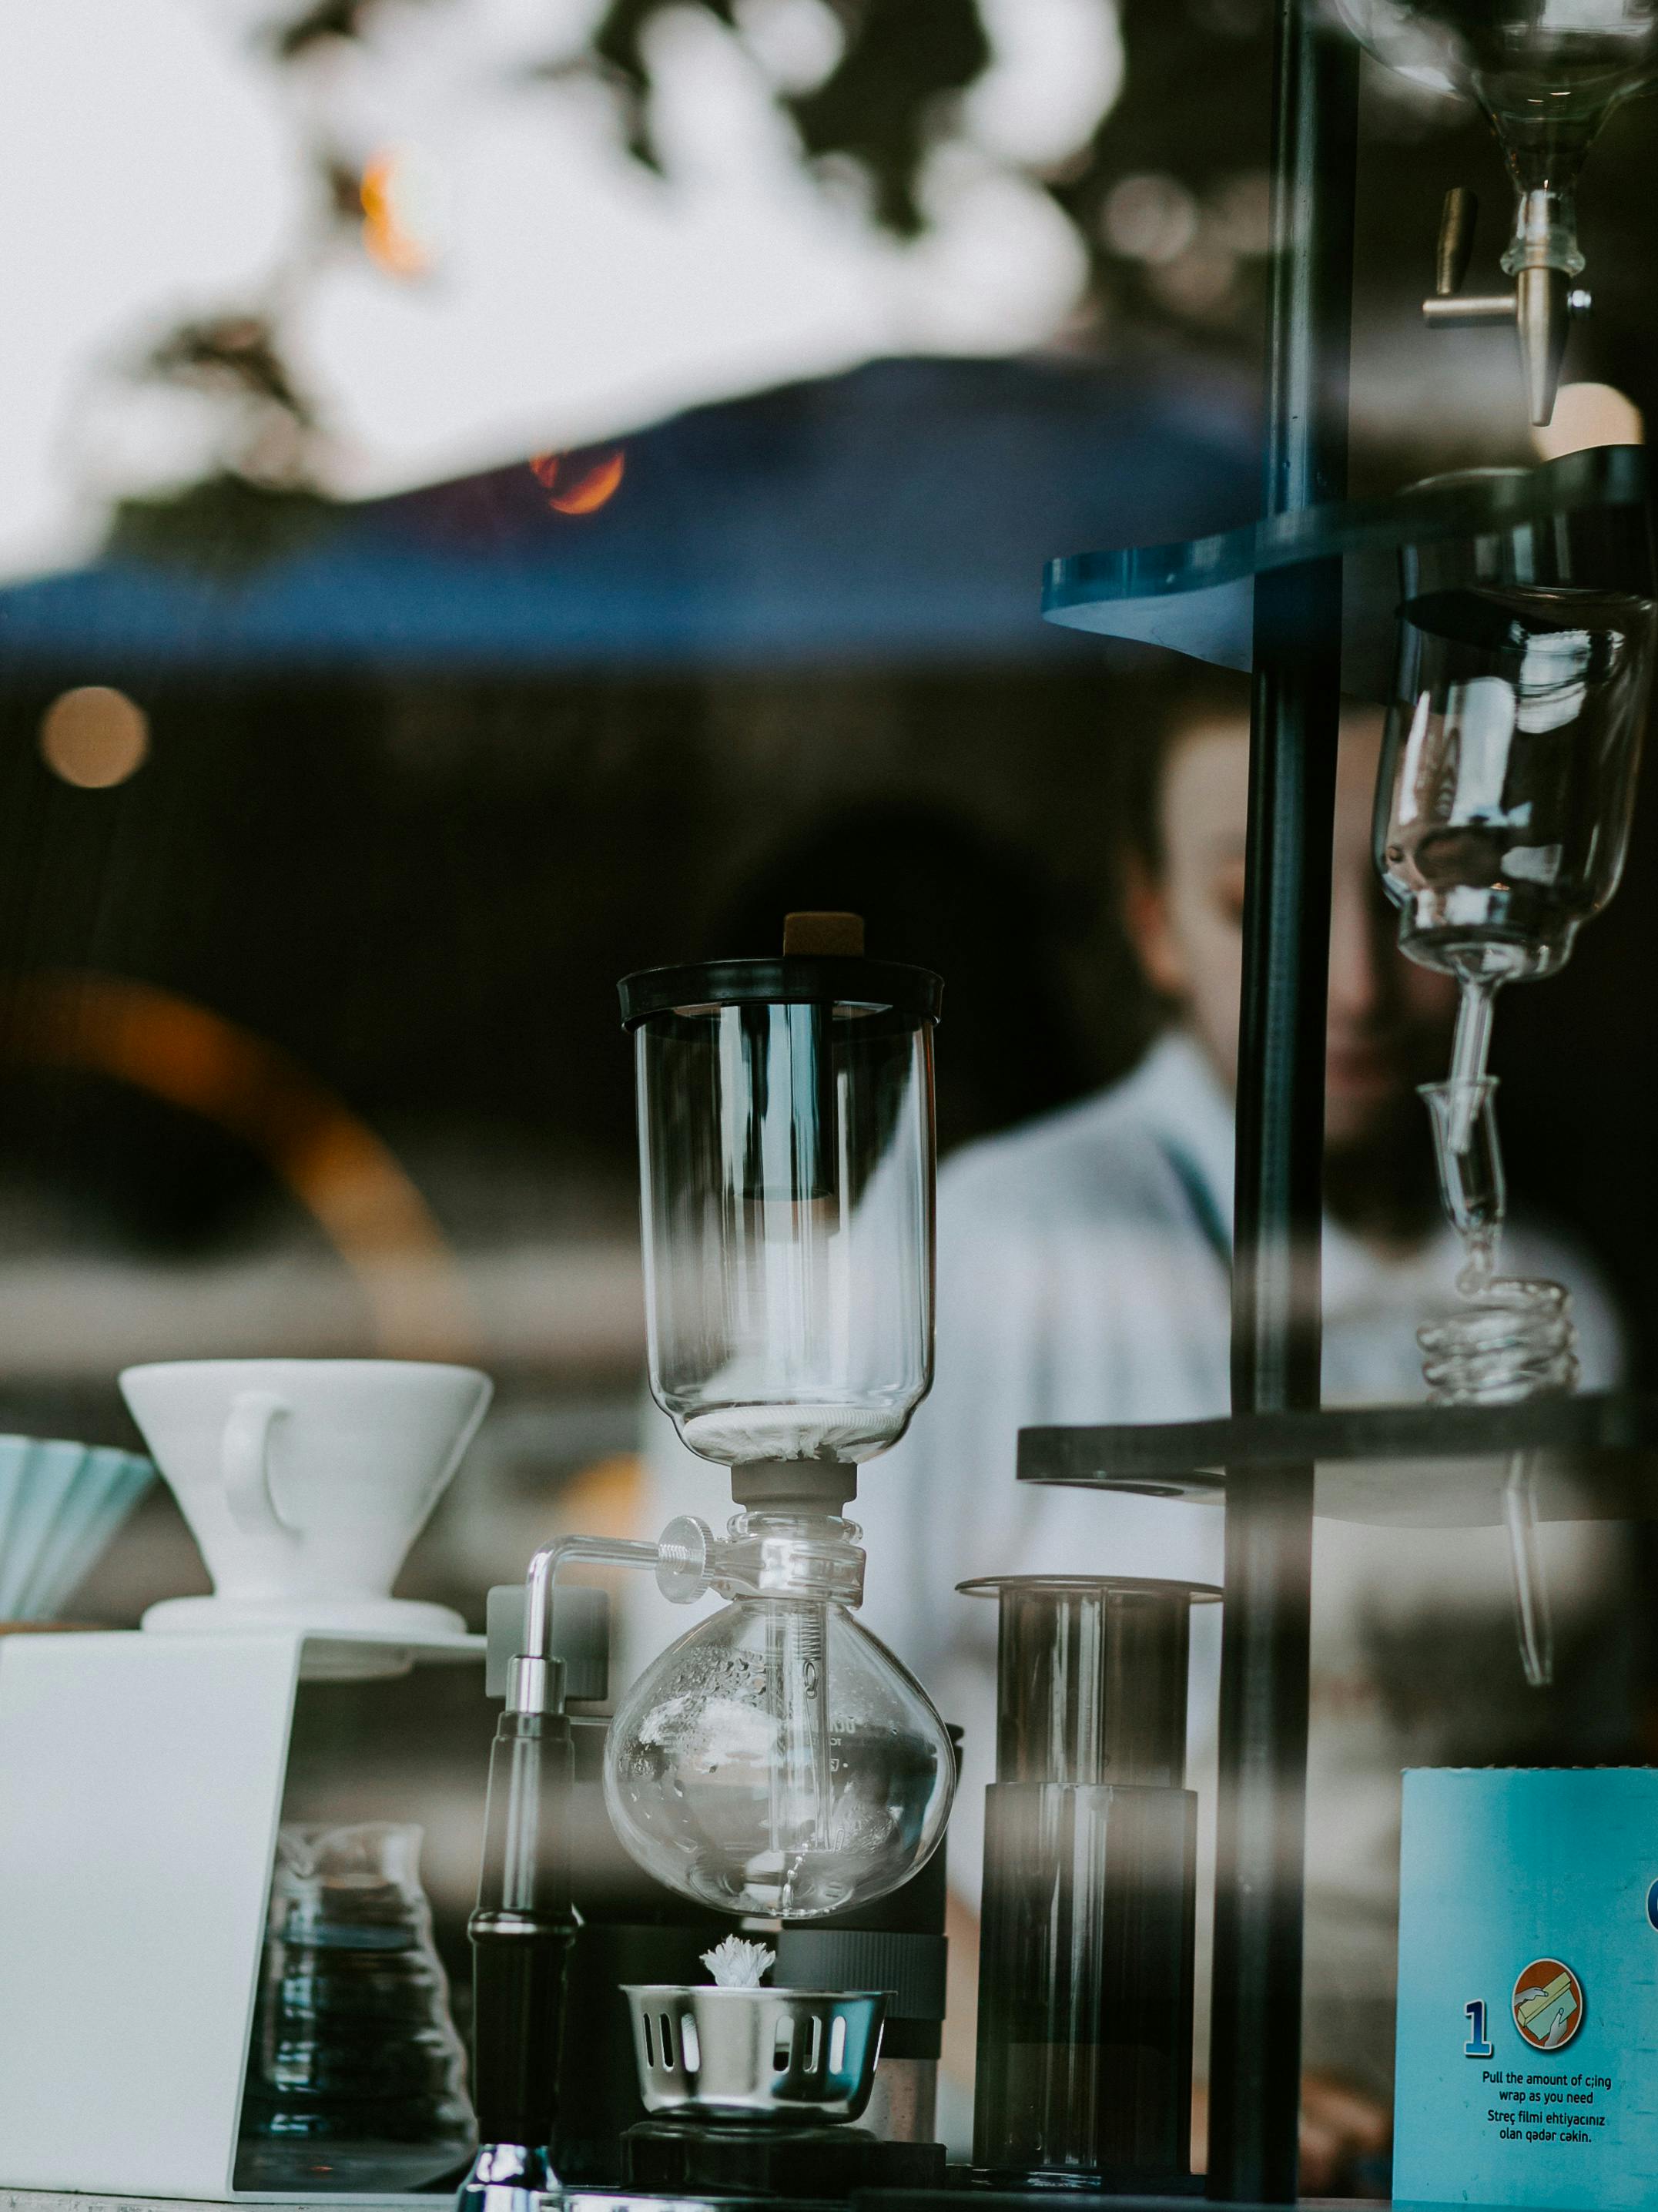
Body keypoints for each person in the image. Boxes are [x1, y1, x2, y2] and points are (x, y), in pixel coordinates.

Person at [629, 669, 1633, 2186]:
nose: (1354, 986)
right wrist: (1113, 2097)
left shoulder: (1554, 1301)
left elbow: (1589, 1763)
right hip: (1115, 2102)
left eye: (1413, 904)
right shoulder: (1002, 1243)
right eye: (1253, 906)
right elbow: (761, 1759)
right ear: (1156, 923)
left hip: (1510, 2100)